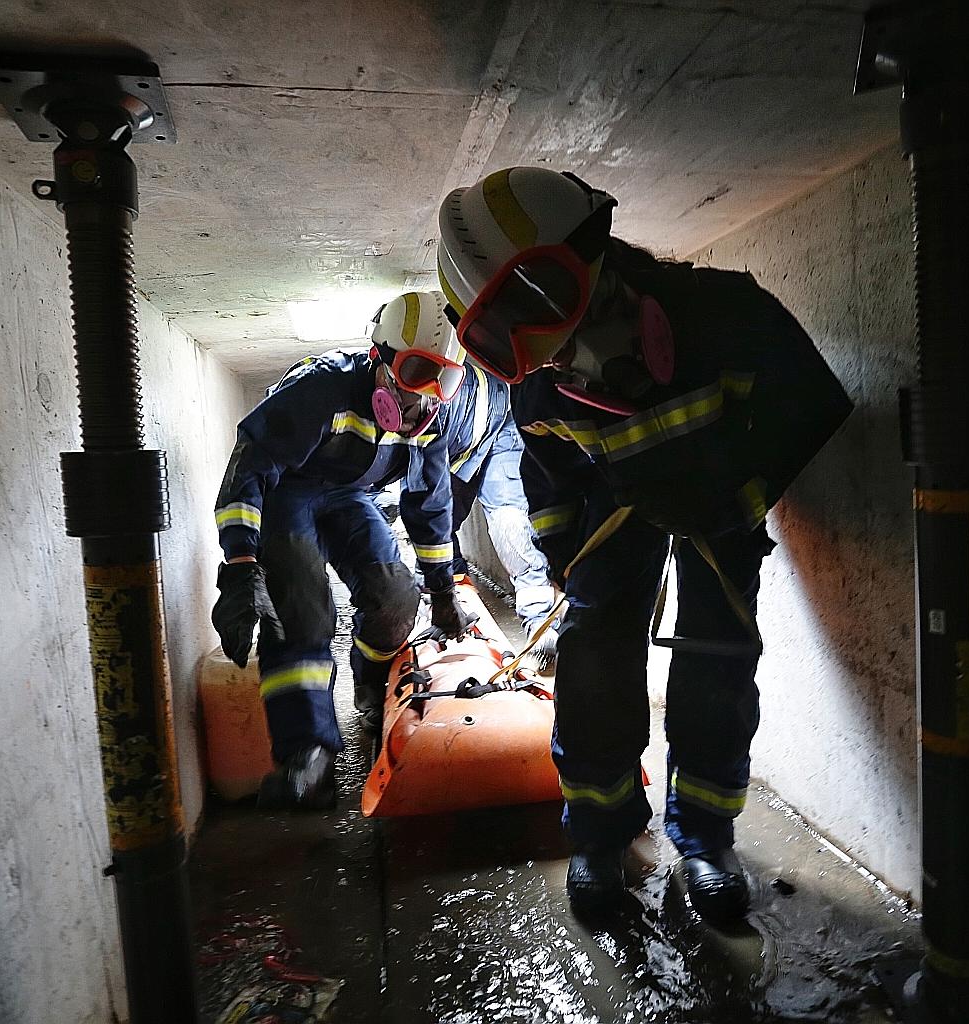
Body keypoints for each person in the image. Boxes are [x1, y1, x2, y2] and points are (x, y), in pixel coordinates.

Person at [435, 167, 854, 919]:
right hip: (616, 506)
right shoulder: (540, 389)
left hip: (719, 497)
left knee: (718, 662)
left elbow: (812, 405)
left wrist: (739, 499)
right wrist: (572, 560)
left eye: (567, 332)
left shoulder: (727, 313)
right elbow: (552, 478)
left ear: (597, 258)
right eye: (545, 355)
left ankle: (706, 840)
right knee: (594, 664)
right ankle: (600, 837)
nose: (569, 360)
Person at [211, 290, 471, 810]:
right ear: (379, 358)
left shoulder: (431, 421)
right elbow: (251, 466)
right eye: (414, 373)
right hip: (291, 490)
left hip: (352, 497)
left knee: (396, 596)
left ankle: (372, 688)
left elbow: (429, 505)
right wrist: (241, 563)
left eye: (440, 381)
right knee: (301, 610)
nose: (419, 399)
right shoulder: (320, 387)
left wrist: (441, 590)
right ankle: (306, 753)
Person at [434, 358, 561, 669]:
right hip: (464, 424)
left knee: (509, 522)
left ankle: (539, 624)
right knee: (442, 526)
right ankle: (452, 598)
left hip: (493, 417)